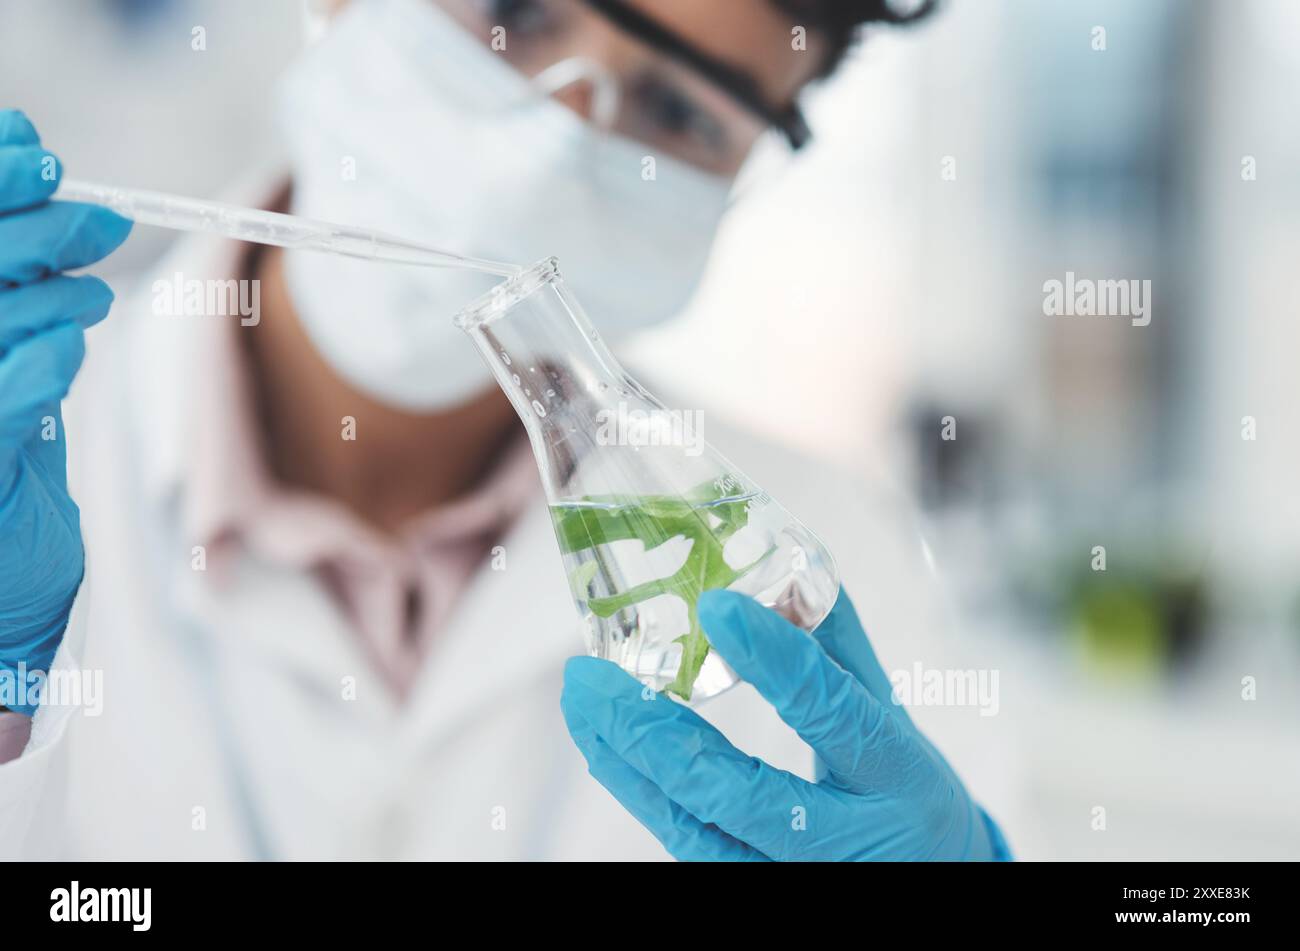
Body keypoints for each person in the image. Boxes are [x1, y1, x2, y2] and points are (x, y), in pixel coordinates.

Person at [0, 0, 1009, 860]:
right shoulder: (30, 460)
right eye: (514, 15)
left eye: (674, 107)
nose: (552, 143)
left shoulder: (822, 565)